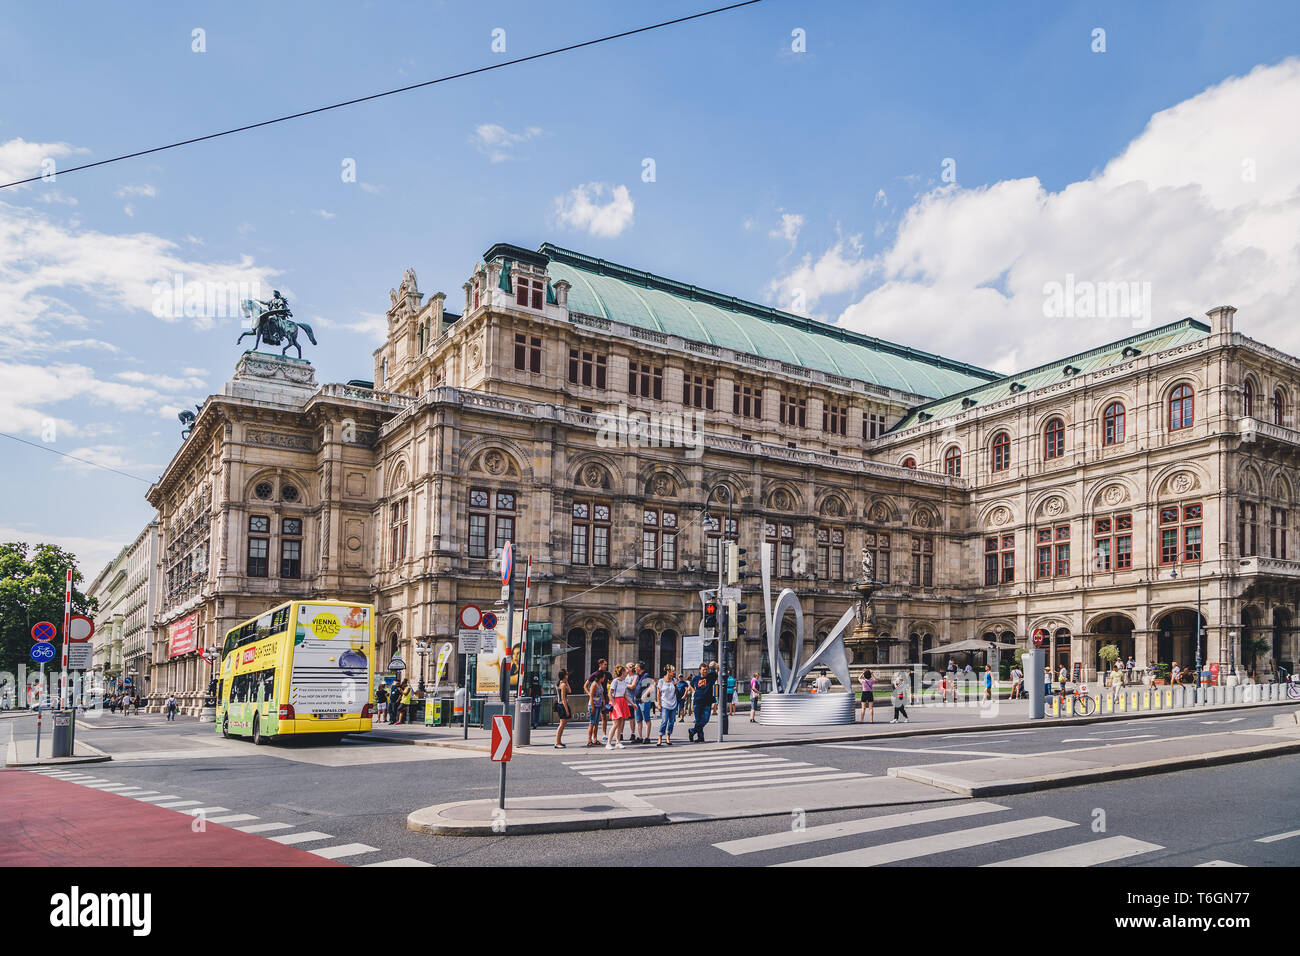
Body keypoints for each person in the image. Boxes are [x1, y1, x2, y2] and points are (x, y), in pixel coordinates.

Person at [606, 665, 632, 750]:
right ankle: (608, 743)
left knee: (620, 723)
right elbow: (610, 694)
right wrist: (614, 705)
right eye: (625, 670)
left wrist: (632, 703)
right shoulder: (615, 681)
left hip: (622, 701)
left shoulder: (624, 681)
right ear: (622, 672)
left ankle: (618, 742)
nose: (627, 671)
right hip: (616, 701)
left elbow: (625, 695)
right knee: (616, 724)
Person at [584, 659, 611, 741]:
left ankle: (602, 735)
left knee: (602, 718)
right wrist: (590, 694)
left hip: (601, 699)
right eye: (605, 664)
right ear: (600, 665)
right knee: (593, 722)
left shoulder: (607, 675)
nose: (606, 666)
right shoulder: (594, 676)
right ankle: (591, 738)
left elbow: (611, 683)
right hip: (595, 702)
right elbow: (585, 686)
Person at [688, 667, 716, 742]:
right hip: (697, 701)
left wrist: (713, 665)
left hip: (707, 701)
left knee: (705, 719)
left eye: (706, 669)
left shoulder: (710, 677)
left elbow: (715, 671)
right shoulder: (696, 678)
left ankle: (692, 731)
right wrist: (694, 691)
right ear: (700, 670)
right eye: (703, 670)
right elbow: (691, 685)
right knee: (698, 720)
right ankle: (700, 737)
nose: (705, 671)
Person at [656, 665, 678, 746]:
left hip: (673, 703)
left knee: (671, 722)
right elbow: (658, 693)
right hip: (664, 703)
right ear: (668, 672)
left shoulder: (674, 680)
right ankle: (660, 737)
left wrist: (675, 685)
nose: (674, 673)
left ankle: (668, 737)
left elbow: (677, 692)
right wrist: (659, 704)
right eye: (673, 671)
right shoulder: (661, 681)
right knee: (664, 721)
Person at [634, 662, 655, 744]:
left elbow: (652, 686)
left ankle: (647, 737)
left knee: (646, 719)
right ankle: (639, 737)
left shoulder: (646, 675)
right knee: (638, 720)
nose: (635, 668)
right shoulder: (638, 676)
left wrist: (645, 695)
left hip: (644, 700)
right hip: (637, 700)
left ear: (640, 668)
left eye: (636, 667)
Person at [586, 670, 605, 747]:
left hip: (599, 705)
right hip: (593, 705)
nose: (604, 678)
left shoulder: (600, 684)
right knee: (592, 723)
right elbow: (591, 696)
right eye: (603, 677)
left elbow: (602, 694)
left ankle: (595, 739)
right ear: (600, 677)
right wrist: (592, 706)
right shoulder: (594, 684)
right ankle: (589, 740)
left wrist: (603, 703)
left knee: (596, 723)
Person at [553, 669, 571, 749]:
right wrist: (566, 709)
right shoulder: (562, 685)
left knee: (563, 724)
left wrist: (567, 682)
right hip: (562, 705)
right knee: (562, 724)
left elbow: (570, 691)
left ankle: (559, 741)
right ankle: (557, 742)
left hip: (562, 704)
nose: (567, 676)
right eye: (566, 674)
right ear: (564, 675)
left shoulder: (563, 683)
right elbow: (563, 698)